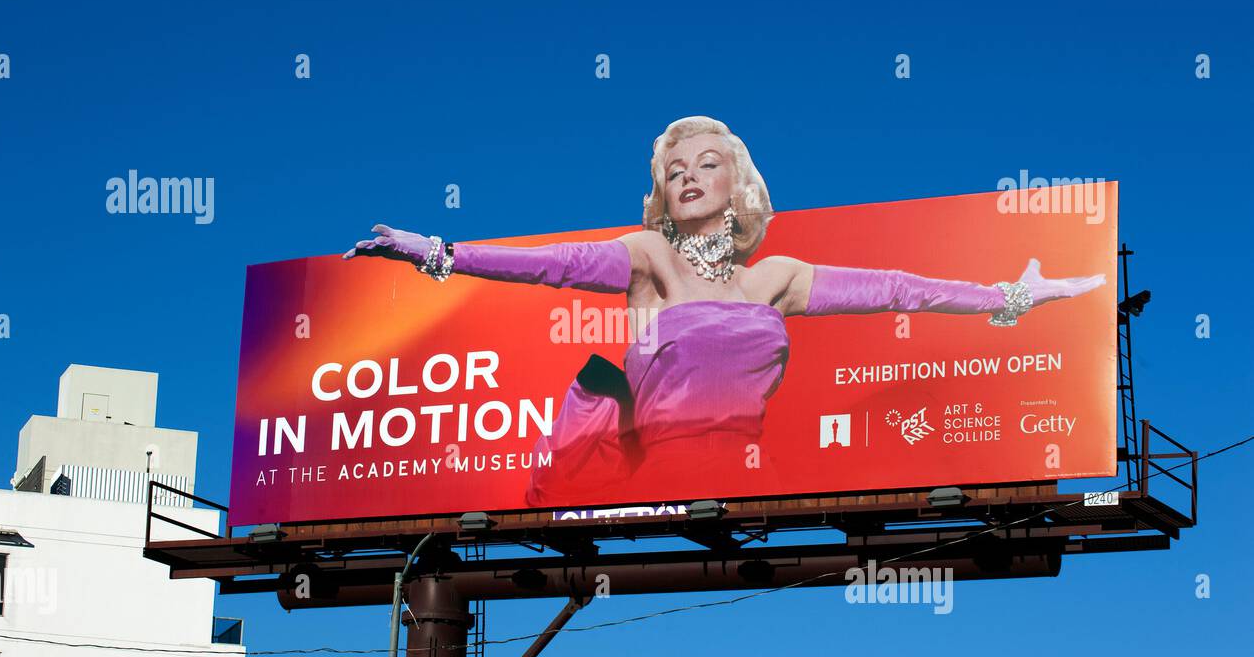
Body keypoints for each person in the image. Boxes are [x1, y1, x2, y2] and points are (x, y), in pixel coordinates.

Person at [345, 115, 1105, 507]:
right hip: (650, 486)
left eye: (707, 164)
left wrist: (1008, 296)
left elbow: (899, 288)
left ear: (736, 183)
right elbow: (553, 264)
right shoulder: (651, 259)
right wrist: (438, 252)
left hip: (751, 485)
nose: (688, 176)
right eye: (674, 169)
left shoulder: (774, 278)